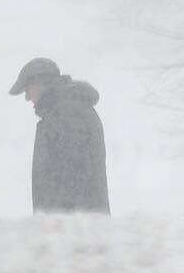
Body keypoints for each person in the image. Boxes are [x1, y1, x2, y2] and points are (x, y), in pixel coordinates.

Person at [7, 56, 109, 214]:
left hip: (75, 228)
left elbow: (72, 180)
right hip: (75, 226)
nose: (27, 97)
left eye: (27, 89)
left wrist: (56, 222)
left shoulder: (67, 115)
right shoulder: (61, 112)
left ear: (40, 84)